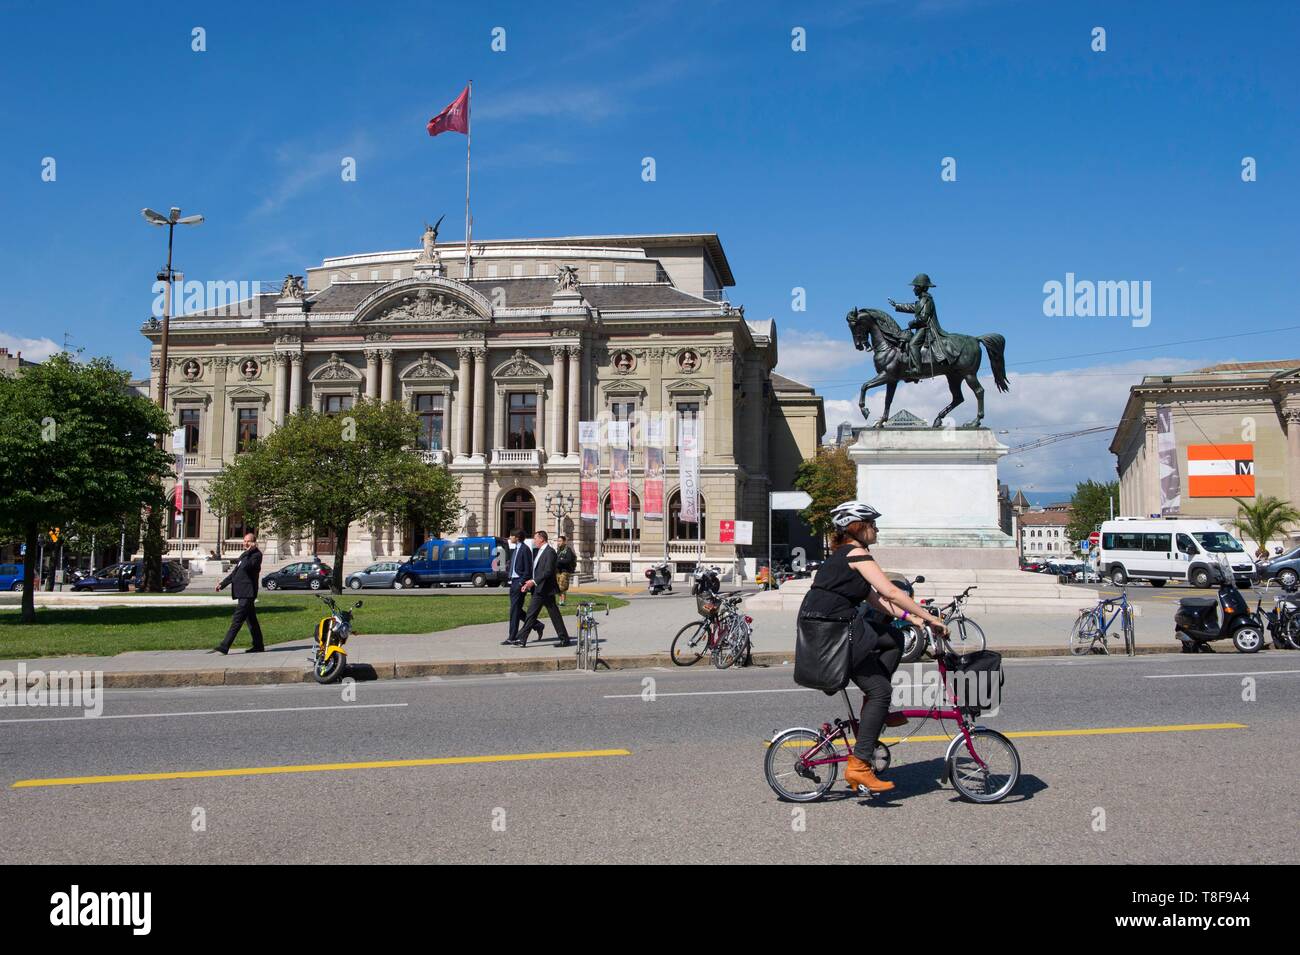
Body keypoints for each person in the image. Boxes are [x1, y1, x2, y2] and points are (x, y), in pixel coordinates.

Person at [799, 501, 948, 794]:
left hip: (833, 625)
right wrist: (931, 617)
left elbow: (874, 599)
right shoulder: (857, 554)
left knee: (892, 639)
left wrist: (912, 618)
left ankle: (874, 711)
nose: (876, 528)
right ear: (857, 527)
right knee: (881, 691)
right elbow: (890, 590)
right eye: (872, 523)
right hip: (833, 631)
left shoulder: (846, 557)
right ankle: (860, 764)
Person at [516, 529, 571, 648]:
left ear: (541, 539)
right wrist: (529, 583)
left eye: (535, 538)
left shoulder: (549, 552)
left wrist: (533, 582)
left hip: (545, 589)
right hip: (540, 589)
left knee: (535, 613)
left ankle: (522, 638)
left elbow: (548, 571)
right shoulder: (539, 551)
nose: (534, 540)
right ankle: (564, 638)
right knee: (541, 614)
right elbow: (537, 570)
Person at [212, 532, 264, 654]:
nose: (245, 543)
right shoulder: (244, 555)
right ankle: (258, 645)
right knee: (251, 621)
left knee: (237, 619)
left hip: (248, 593)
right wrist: (222, 584)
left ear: (254, 542)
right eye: (244, 541)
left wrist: (250, 551)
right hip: (242, 592)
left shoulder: (256, 555)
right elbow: (235, 573)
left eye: (248, 541)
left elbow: (247, 567)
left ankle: (225, 646)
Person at [502, 530, 544, 647]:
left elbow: (528, 569)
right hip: (513, 581)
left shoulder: (525, 549)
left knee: (514, 610)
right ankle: (536, 625)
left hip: (519, 582)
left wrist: (521, 582)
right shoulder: (516, 548)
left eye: (511, 536)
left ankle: (512, 637)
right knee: (516, 610)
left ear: (517, 537)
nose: (509, 537)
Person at [554, 535, 577, 606]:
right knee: (558, 586)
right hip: (558, 571)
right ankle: (560, 600)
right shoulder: (559, 550)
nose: (558, 542)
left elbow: (568, 560)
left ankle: (563, 601)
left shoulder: (568, 550)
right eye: (558, 541)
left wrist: (560, 560)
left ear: (564, 542)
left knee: (562, 586)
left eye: (560, 541)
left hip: (565, 571)